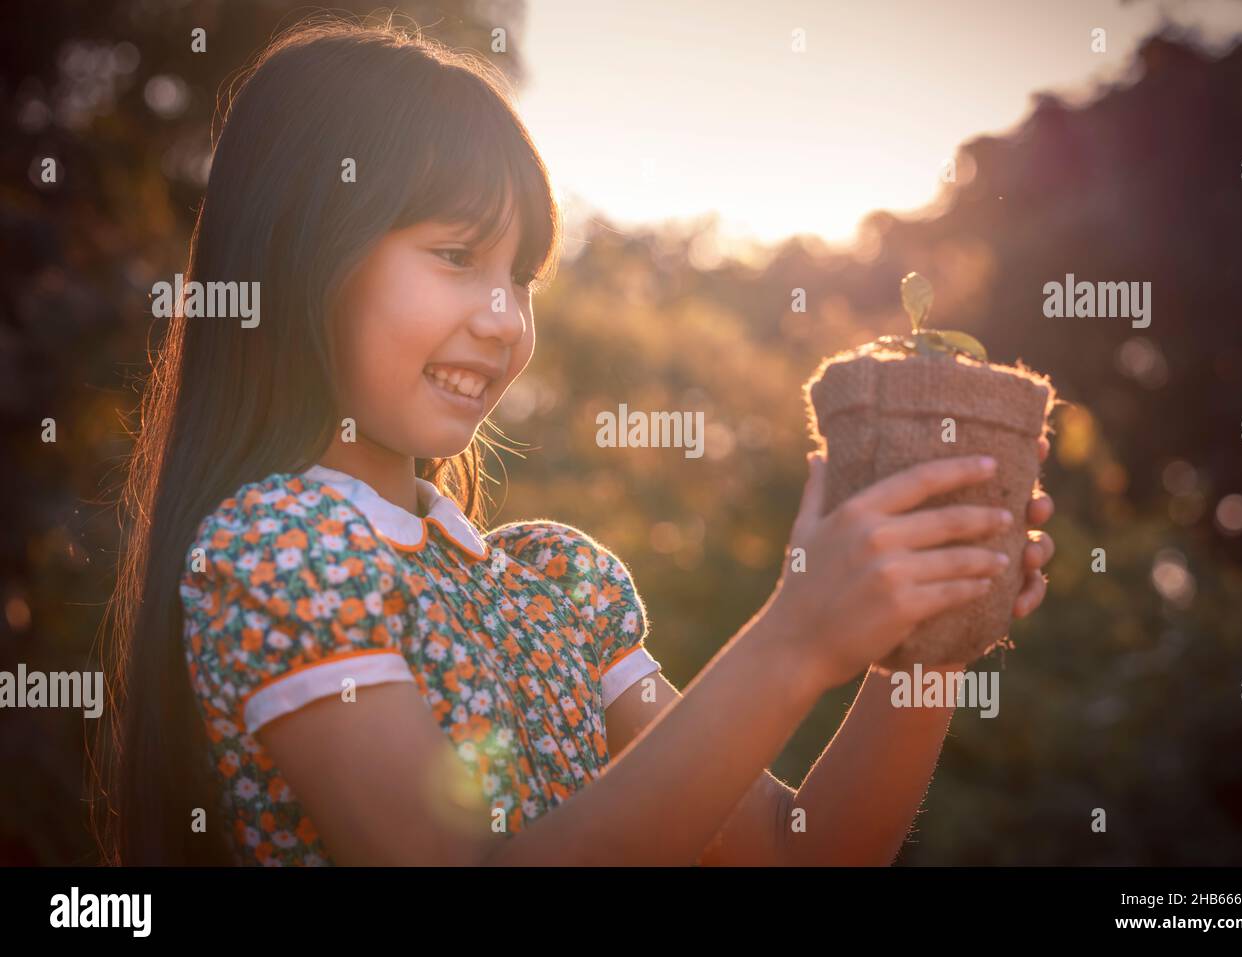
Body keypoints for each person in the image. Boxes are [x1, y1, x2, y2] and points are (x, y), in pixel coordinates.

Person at [92, 18, 1055, 866]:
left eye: (525, 276)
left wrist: (931, 625)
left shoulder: (557, 586)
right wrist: (797, 636)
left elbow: (800, 852)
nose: (505, 319)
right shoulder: (280, 552)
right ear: (305, 251)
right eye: (457, 257)